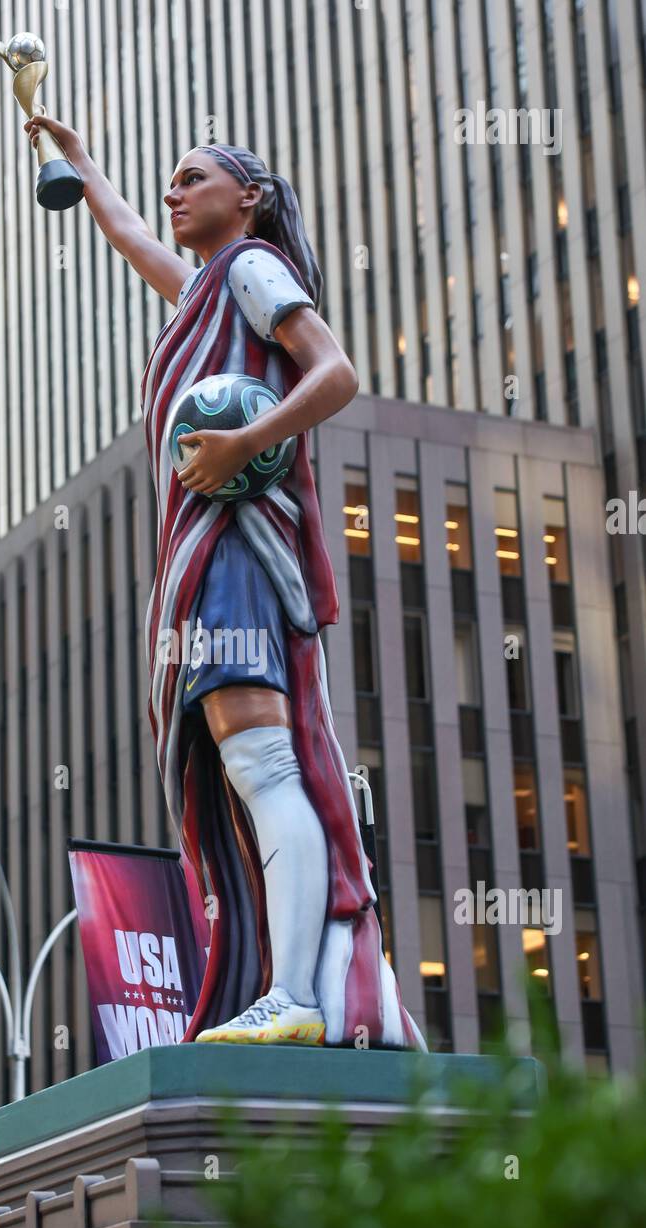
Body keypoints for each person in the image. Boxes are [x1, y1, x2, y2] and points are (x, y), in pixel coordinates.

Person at [25, 116, 427, 1051]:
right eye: (166, 181)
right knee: (240, 770)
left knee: (261, 762)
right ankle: (287, 984)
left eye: (192, 177)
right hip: (201, 555)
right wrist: (82, 168)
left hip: (242, 544)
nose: (173, 193)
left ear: (246, 197)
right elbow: (130, 234)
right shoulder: (208, 288)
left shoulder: (251, 270)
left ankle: (296, 992)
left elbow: (335, 375)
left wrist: (248, 442)